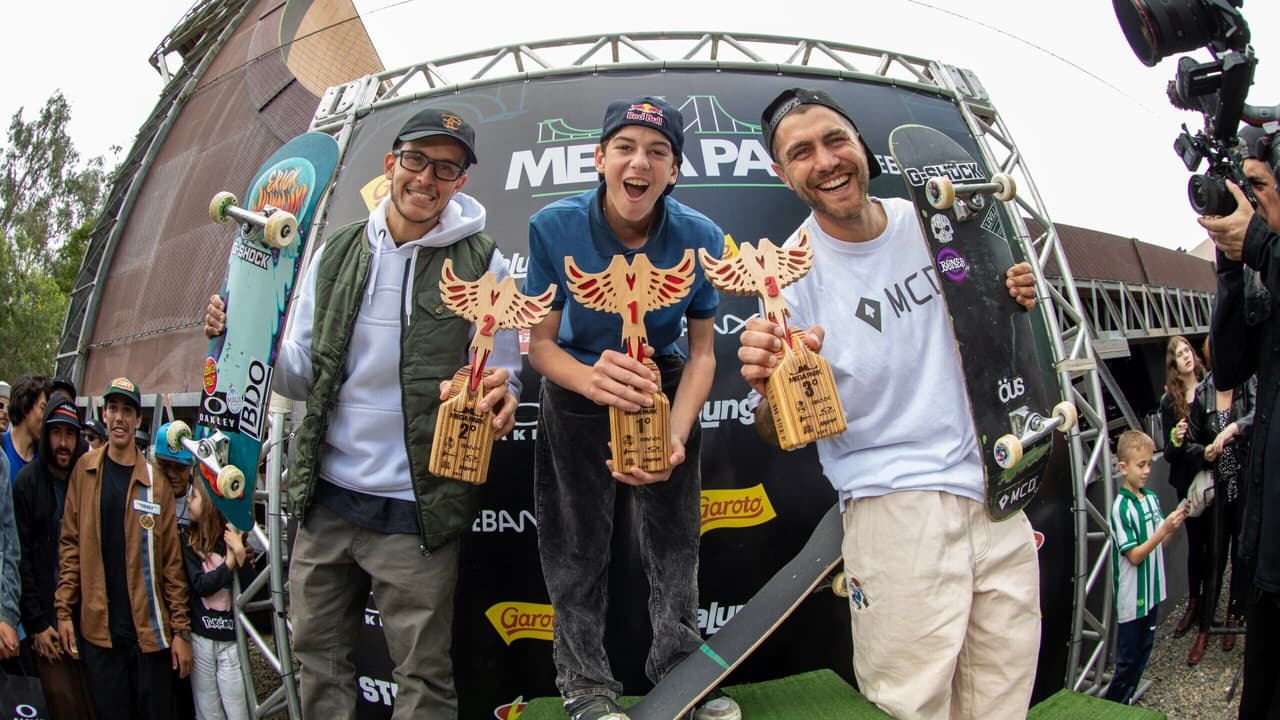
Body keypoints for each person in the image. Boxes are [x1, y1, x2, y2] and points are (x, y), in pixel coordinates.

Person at [203, 106, 521, 719]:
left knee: (423, 681)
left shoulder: (486, 262)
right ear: (391, 165)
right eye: (417, 160)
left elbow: (505, 370)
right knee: (318, 669)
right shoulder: (336, 251)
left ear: (462, 182)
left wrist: (502, 397)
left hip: (417, 508)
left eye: (446, 168)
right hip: (326, 501)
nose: (427, 178)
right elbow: (296, 367)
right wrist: (240, 336)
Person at [737, 88, 1040, 719]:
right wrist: (772, 390)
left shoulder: (932, 219)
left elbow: (990, 323)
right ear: (781, 172)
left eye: (835, 140)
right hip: (896, 509)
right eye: (802, 152)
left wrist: (1009, 293)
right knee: (912, 708)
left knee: (1002, 701)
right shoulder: (788, 277)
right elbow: (774, 431)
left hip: (997, 488)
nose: (825, 160)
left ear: (859, 144)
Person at [523, 96, 735, 720]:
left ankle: (680, 675)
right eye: (625, 147)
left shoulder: (700, 237)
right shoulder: (552, 227)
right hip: (576, 380)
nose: (639, 163)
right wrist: (590, 381)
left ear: (673, 171)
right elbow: (537, 345)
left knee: (674, 541)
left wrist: (675, 428)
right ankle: (585, 687)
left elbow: (702, 357)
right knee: (575, 539)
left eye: (658, 152)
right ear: (599, 158)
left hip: (659, 381)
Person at [54, 377, 192, 720]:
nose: (119, 418)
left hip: (149, 637)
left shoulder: (154, 483)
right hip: (100, 635)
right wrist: (63, 610)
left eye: (127, 410)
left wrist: (181, 631)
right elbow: (70, 546)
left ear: (138, 419)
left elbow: (171, 564)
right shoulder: (84, 473)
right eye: (113, 409)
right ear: (103, 414)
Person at [1201, 124, 1280, 720]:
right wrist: (1230, 270)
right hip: (1266, 544)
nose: (1246, 204)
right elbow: (1227, 365)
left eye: (1256, 188)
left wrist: (1256, 245)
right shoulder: (1263, 271)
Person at [13, 395, 95, 718]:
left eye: (70, 434)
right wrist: (37, 624)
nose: (64, 443)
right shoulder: (26, 485)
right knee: (63, 705)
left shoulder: (87, 482)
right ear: (46, 434)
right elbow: (22, 560)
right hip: (46, 625)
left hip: (85, 622)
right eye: (57, 432)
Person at [1105, 430, 1186, 704]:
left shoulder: (1150, 498)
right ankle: (1115, 705)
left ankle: (1127, 701)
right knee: (1127, 660)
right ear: (1123, 466)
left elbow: (1159, 546)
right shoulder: (1120, 507)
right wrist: (1163, 529)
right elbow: (1135, 556)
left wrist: (1174, 523)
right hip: (1131, 599)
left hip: (1152, 592)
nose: (1147, 471)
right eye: (1141, 465)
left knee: (1144, 652)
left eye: (1150, 464)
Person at [181, 478, 251, 720]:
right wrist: (230, 563)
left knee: (238, 707)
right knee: (208, 709)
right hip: (201, 638)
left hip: (230, 639)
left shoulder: (231, 540)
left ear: (210, 504)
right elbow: (200, 585)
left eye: (195, 496)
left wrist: (240, 554)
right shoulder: (188, 543)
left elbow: (249, 590)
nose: (188, 500)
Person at [1159, 334, 1211, 653]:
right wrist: (1176, 440)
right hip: (1188, 483)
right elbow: (1168, 454)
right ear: (1174, 365)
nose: (1186, 356)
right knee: (1196, 546)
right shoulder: (1169, 403)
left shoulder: (1211, 388)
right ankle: (1194, 602)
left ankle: (1211, 612)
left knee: (1216, 547)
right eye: (1179, 353)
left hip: (1213, 479)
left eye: (1187, 350)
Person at [2, 374, 51, 480]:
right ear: (25, 406)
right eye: (43, 408)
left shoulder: (44, 459)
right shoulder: (2, 447)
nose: (46, 417)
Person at [153, 423, 194, 528]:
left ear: (190, 467)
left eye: (179, 467)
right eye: (164, 465)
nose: (171, 473)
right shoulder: (145, 495)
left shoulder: (201, 504)